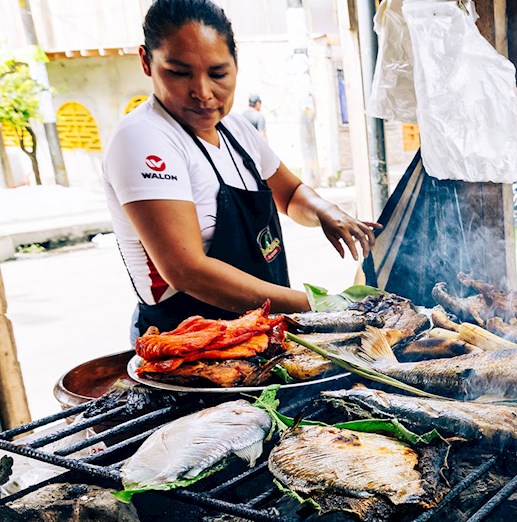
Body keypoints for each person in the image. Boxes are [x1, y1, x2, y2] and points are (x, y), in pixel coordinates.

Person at [103, 0, 380, 337]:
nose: (202, 93)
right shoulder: (143, 138)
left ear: (236, 63)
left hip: (261, 332)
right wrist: (318, 305)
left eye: (218, 73)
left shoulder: (236, 129)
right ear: (146, 61)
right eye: (178, 73)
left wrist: (326, 211)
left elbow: (290, 195)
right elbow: (187, 271)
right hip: (188, 345)